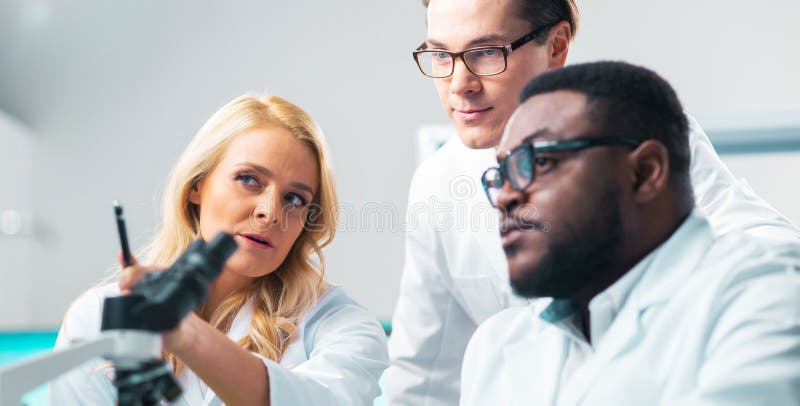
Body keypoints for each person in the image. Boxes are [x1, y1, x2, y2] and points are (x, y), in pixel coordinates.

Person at [385, 0, 800, 404]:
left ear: (557, 46)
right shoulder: (439, 192)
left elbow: (768, 256)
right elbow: (421, 379)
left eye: (486, 52)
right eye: (440, 55)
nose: (460, 84)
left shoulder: (624, 130)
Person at [460, 60, 800, 405]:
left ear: (644, 172)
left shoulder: (768, 292)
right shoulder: (497, 346)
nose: (506, 196)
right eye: (504, 173)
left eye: (540, 161)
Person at [48, 94, 389, 405]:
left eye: (294, 199)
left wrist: (184, 332)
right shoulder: (97, 319)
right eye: (249, 179)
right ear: (197, 185)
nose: (269, 212)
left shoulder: (342, 326)